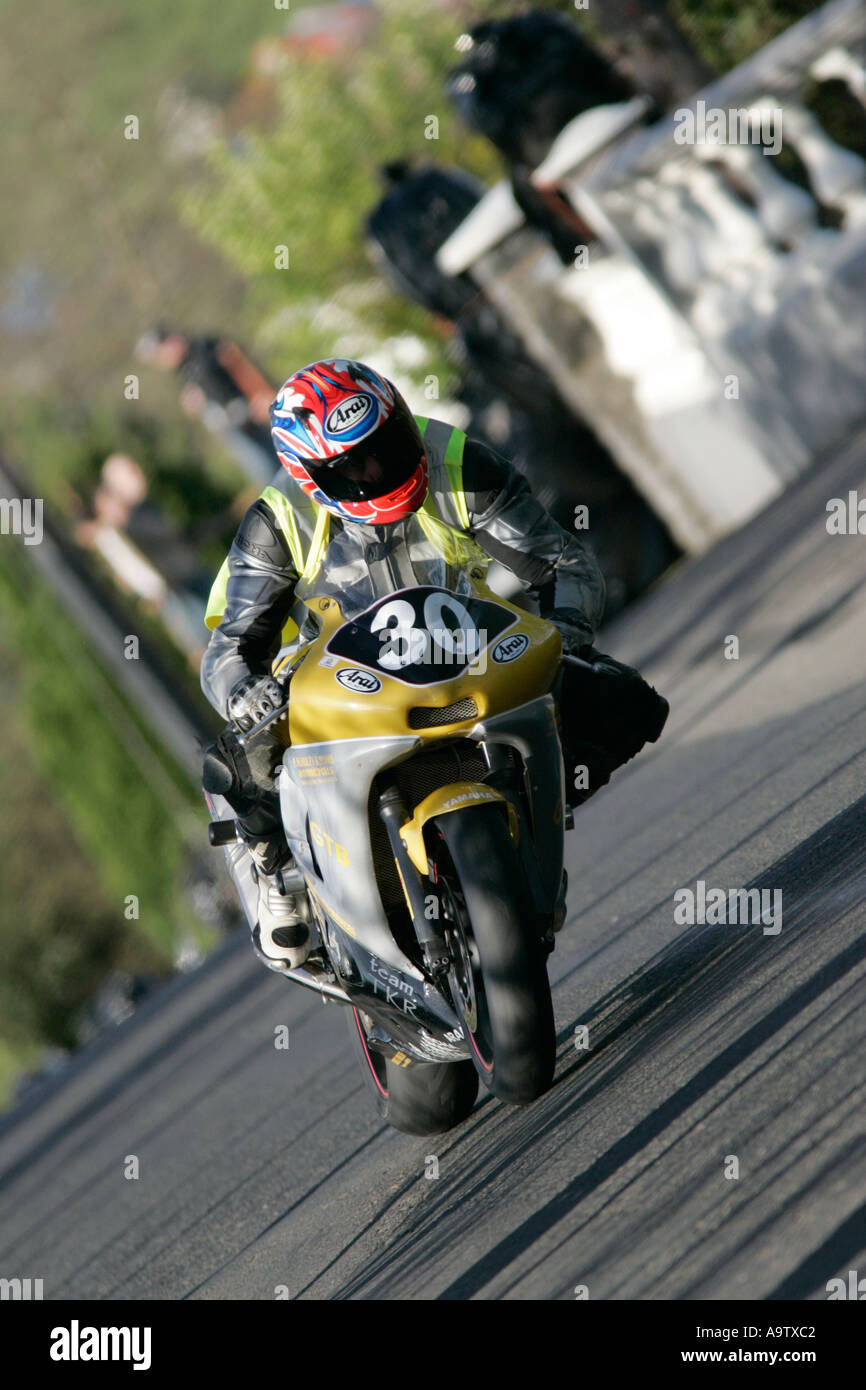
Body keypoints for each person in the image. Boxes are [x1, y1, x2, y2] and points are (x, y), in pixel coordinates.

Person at [199, 359, 668, 973]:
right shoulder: (279, 520)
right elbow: (229, 650)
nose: (377, 470)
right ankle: (275, 873)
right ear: (312, 478)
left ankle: (534, 807)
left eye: (387, 447)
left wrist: (567, 638)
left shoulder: (455, 459)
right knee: (240, 756)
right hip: (332, 679)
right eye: (352, 468)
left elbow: (562, 565)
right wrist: (247, 694)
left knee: (627, 702)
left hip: (461, 651)